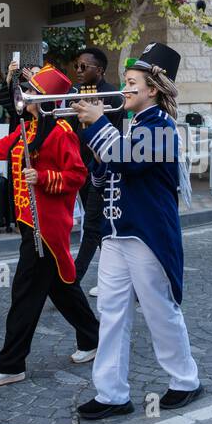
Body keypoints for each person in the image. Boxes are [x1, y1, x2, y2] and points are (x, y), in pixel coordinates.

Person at [70, 44, 201, 419]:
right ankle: (111, 392)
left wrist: (97, 125)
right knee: (111, 311)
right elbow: (102, 176)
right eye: (125, 83)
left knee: (159, 309)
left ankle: (185, 380)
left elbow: (127, 161)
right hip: (115, 232)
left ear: (152, 90)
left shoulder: (163, 128)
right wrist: (94, 143)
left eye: (131, 84)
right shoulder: (130, 126)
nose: (123, 91)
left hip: (147, 234)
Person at [0, 65, 98, 387]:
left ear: (47, 100)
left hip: (45, 231)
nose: (26, 98)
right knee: (61, 289)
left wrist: (45, 178)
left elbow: (78, 175)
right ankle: (93, 337)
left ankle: (11, 362)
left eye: (33, 93)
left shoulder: (61, 132)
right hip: (29, 223)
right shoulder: (31, 128)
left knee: (24, 293)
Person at [69, 45, 125, 284]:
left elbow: (113, 135)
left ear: (99, 70)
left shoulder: (112, 95)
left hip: (101, 168)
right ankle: (114, 278)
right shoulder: (76, 93)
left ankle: (72, 280)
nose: (79, 71)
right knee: (98, 226)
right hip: (80, 167)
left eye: (84, 67)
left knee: (92, 226)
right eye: (76, 66)